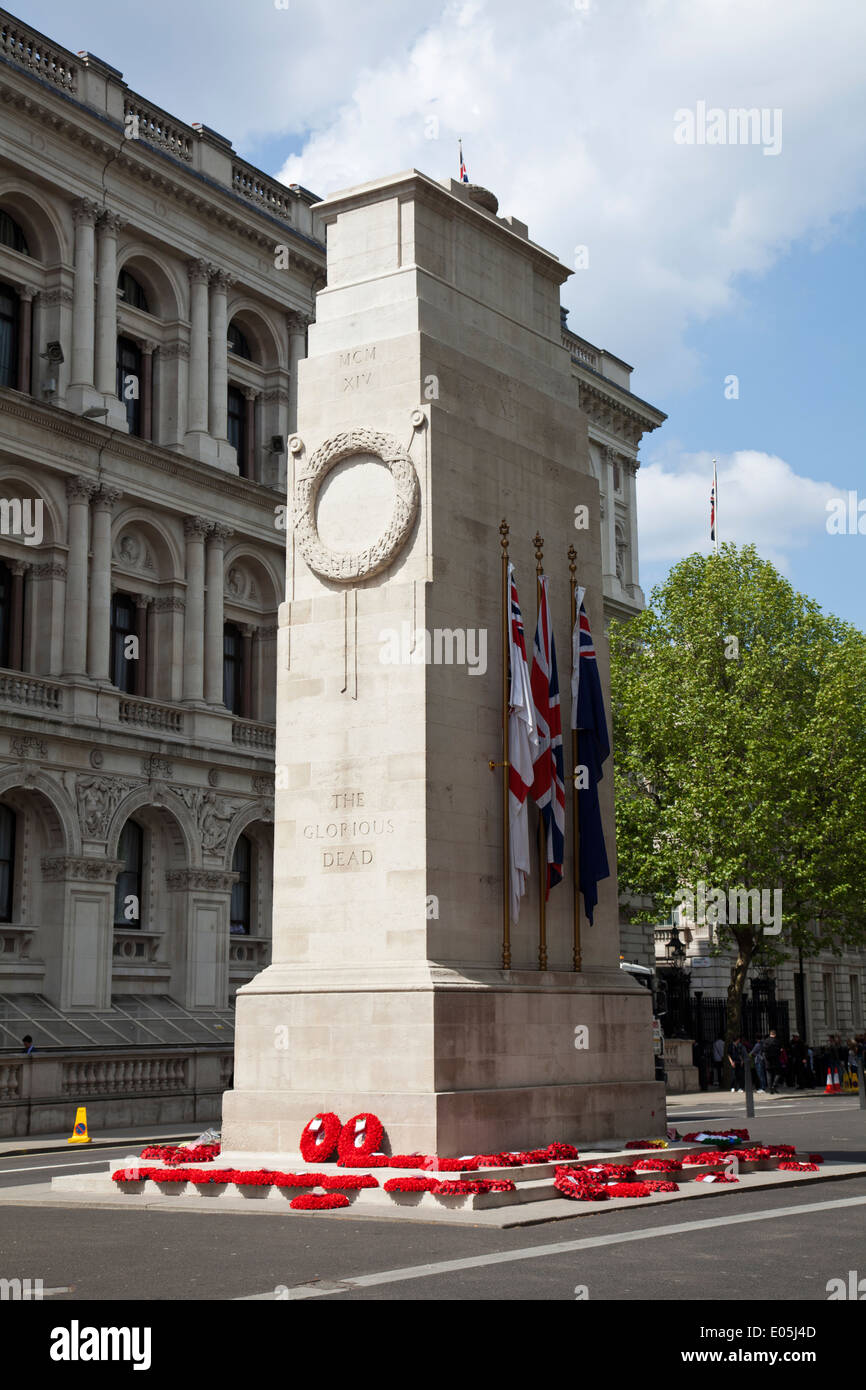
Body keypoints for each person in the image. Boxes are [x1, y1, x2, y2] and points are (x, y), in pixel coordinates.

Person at [763, 1029, 782, 1094]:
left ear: (770, 1034)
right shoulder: (777, 1041)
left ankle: (770, 1088)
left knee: (769, 1074)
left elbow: (764, 1050)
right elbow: (780, 1051)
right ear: (775, 1034)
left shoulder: (766, 1041)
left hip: (768, 1060)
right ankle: (774, 1085)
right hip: (776, 1060)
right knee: (778, 1073)